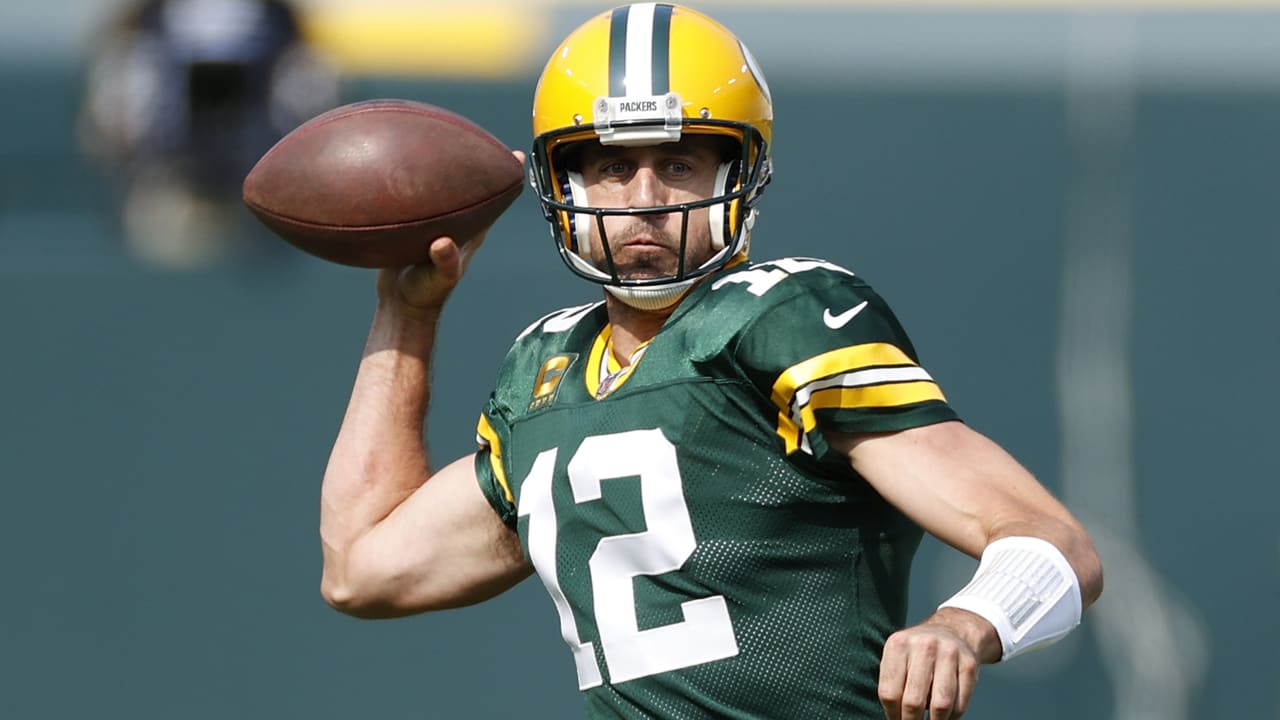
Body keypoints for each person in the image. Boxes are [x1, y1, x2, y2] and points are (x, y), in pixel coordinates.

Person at [318, 3, 1103, 719]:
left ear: (739, 176)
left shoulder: (784, 316)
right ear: (565, 184)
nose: (646, 197)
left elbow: (1053, 544)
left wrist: (962, 626)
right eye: (614, 167)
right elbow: (361, 568)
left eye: (681, 164)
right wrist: (406, 312)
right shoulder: (544, 368)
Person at [79, 0, 338, 269]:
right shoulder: (143, 25)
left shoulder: (280, 21)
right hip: (168, 186)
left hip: (264, 189)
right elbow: (113, 124)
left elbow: (312, 96)